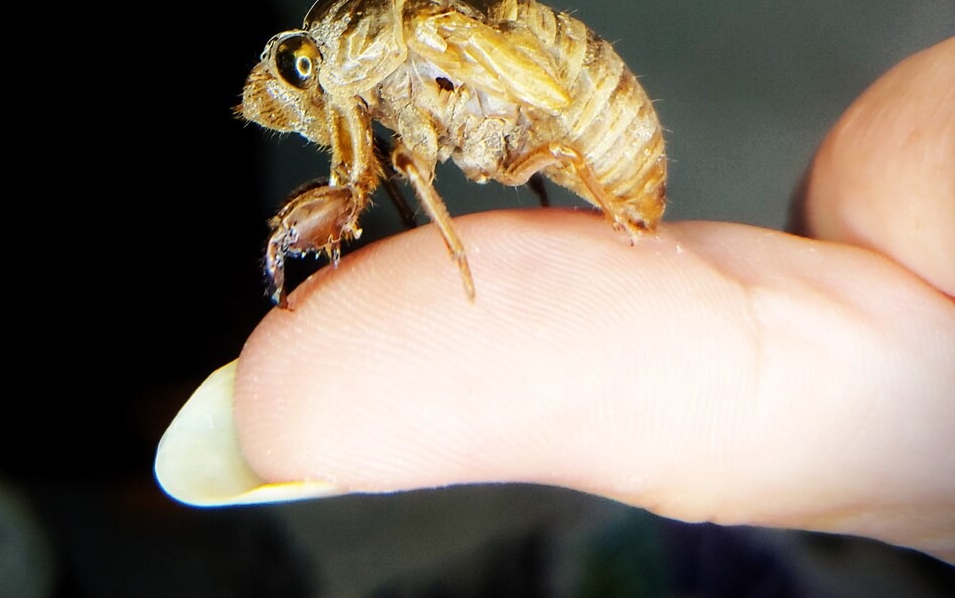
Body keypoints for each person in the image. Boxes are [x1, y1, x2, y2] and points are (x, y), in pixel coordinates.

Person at [156, 38, 954, 565]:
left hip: (581, 119)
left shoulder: (396, 66)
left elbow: (405, 171)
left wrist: (455, 252)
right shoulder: (381, 97)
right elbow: (374, 175)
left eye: (301, 65)